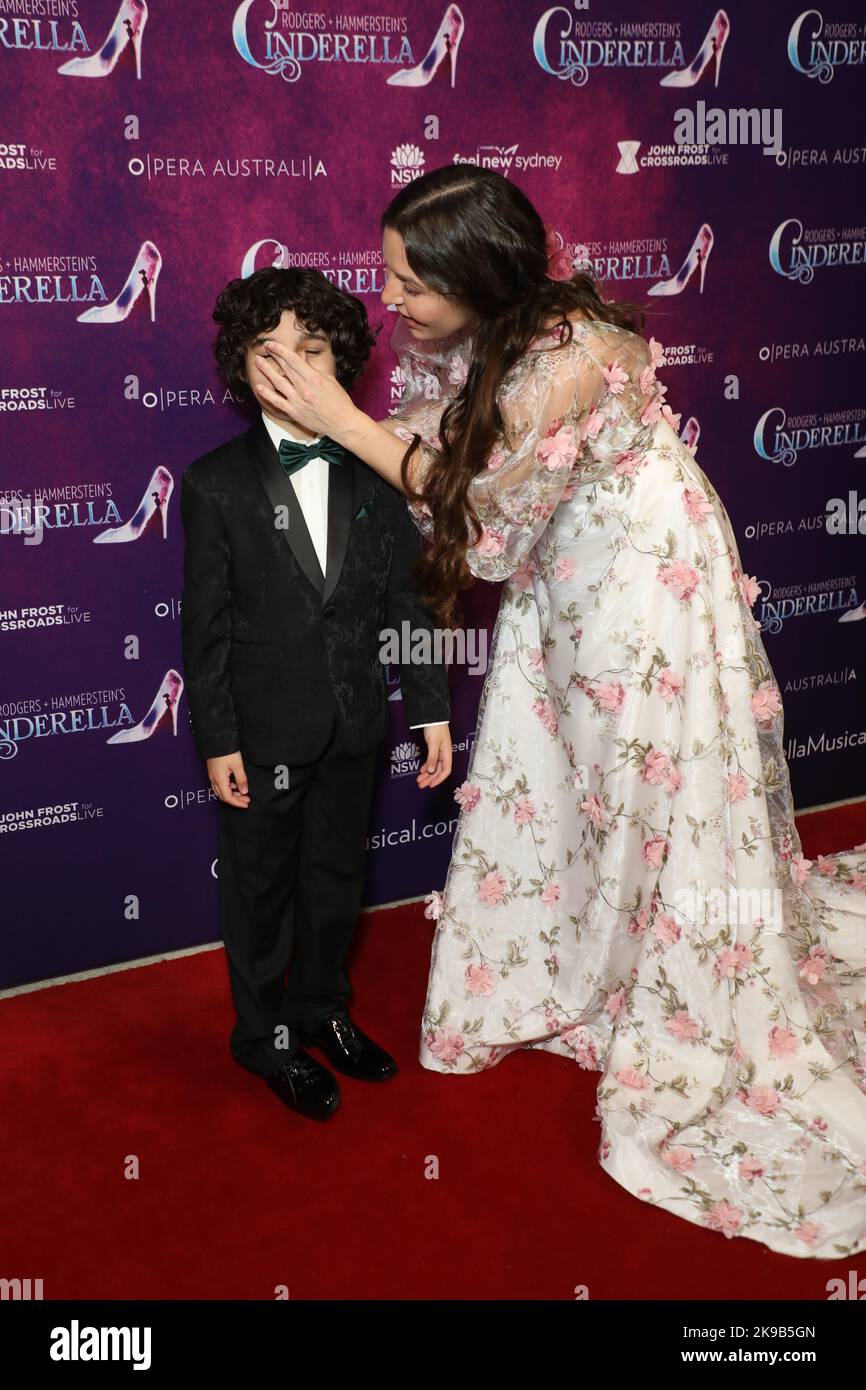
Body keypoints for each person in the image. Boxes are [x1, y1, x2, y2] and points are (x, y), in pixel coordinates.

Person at [249, 166, 866, 1258]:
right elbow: (451, 428)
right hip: (569, 584)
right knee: (583, 791)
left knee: (646, 787)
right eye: (385, 273)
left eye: (406, 281)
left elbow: (480, 519)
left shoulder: (568, 361)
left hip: (638, 590)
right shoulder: (506, 328)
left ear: (472, 273)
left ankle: (665, 978)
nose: (389, 298)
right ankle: (596, 954)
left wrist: (340, 419)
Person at [179, 266, 452, 1123]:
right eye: (269, 353)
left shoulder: (379, 468)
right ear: (239, 365)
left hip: (354, 722)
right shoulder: (215, 482)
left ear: (343, 362)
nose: (291, 369)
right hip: (261, 729)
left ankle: (322, 1009)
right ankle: (266, 1040)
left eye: (312, 349)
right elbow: (207, 627)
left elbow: (407, 599)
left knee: (336, 879)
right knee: (259, 890)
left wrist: (432, 704)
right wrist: (217, 737)